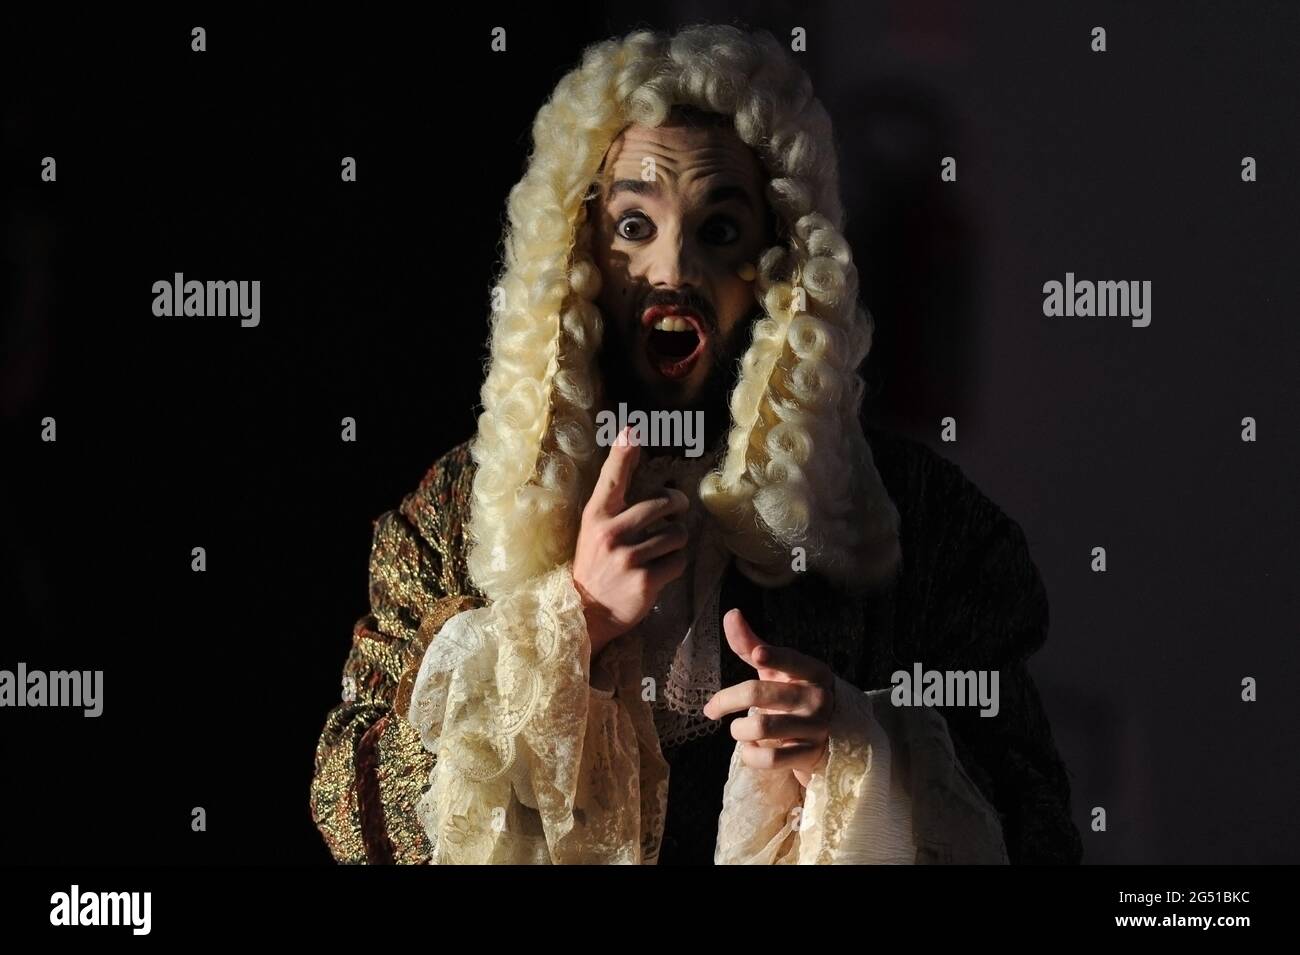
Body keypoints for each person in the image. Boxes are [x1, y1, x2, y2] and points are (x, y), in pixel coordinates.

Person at [310, 23, 1082, 865]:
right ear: (579, 252)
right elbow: (357, 812)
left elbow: (1034, 822)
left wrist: (858, 752)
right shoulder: (462, 507)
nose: (672, 268)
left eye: (717, 230)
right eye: (634, 225)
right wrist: (570, 624)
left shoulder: (915, 524)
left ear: (776, 255)